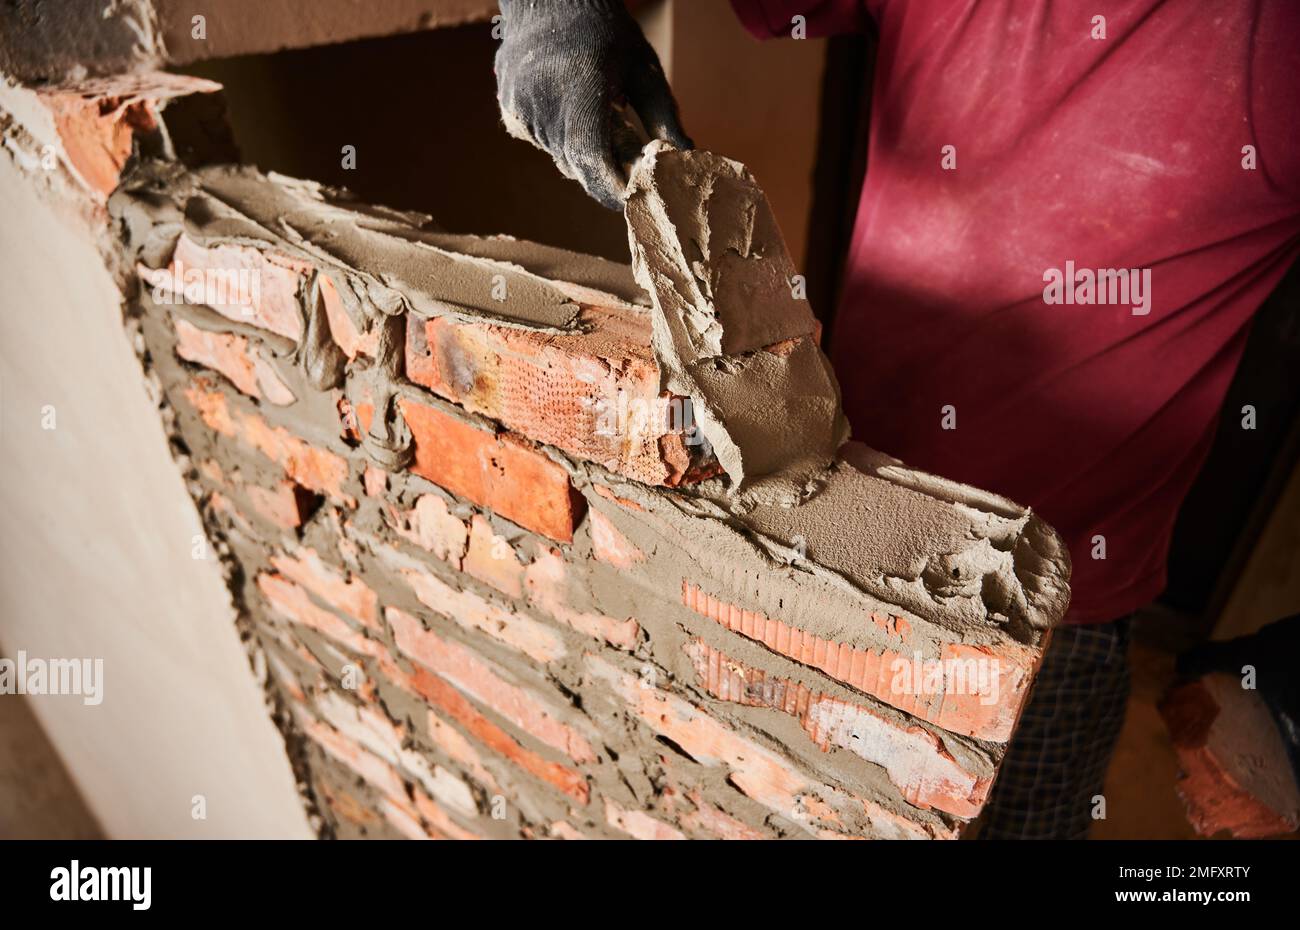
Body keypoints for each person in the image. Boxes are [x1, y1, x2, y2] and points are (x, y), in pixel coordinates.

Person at [492, 0, 1300, 839]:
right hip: (838, 531)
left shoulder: (1273, 49)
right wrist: (552, 11)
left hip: (1058, 607)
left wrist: (1286, 697)